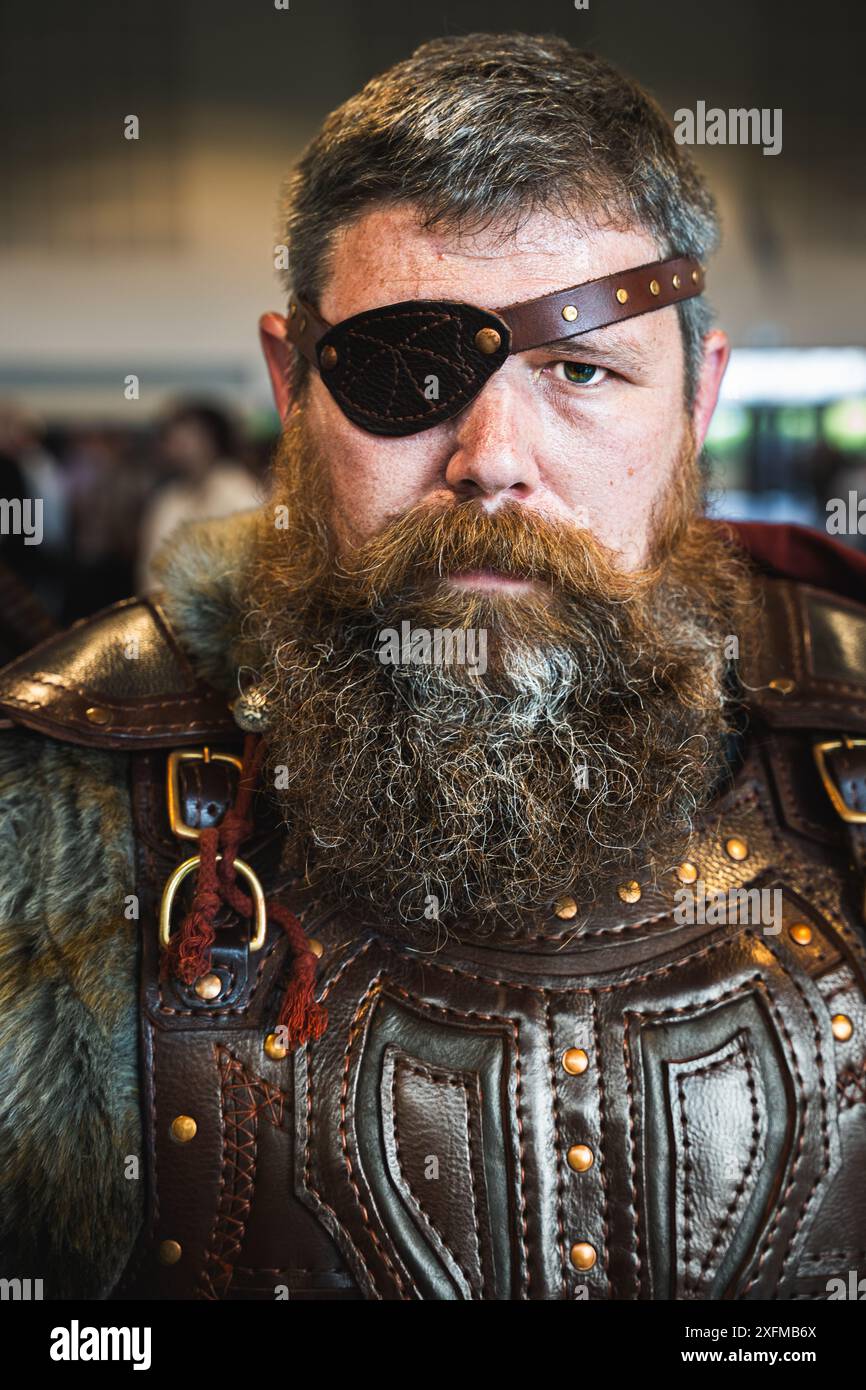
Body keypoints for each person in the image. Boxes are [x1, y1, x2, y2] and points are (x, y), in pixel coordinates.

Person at [1, 32, 865, 1303]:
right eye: (406, 372)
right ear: (292, 386)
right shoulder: (48, 801)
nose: (491, 458)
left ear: (697, 398)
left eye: (581, 370)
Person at [136, 401, 260, 592]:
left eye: (186, 437)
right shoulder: (168, 498)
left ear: (210, 440)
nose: (176, 445)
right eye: (172, 438)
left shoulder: (237, 488)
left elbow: (250, 560)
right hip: (167, 609)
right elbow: (150, 567)